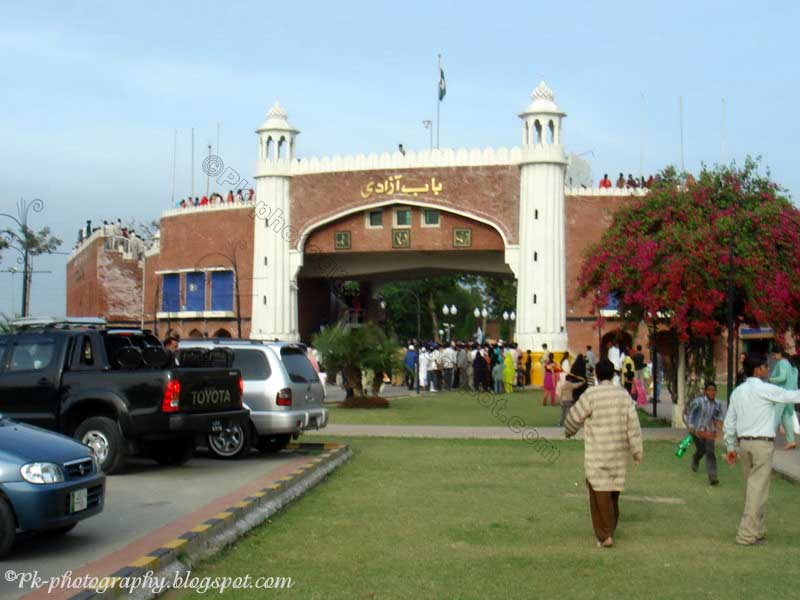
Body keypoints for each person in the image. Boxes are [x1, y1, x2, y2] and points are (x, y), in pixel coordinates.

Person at [565, 358, 643, 548]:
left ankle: (605, 535)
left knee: (598, 495)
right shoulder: (623, 396)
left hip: (597, 455)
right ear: (614, 375)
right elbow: (633, 426)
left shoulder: (591, 394)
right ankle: (609, 529)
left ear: (597, 375)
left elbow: (574, 416)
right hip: (617, 455)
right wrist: (636, 451)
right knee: (612, 495)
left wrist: (569, 430)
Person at [723, 353, 800, 545]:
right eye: (766, 367)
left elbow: (729, 422)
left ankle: (757, 530)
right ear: (758, 370)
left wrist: (731, 446)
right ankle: (746, 534)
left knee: (754, 488)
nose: (768, 370)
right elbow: (790, 395)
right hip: (761, 445)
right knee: (757, 490)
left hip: (744, 444)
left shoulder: (738, 392)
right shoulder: (764, 389)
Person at [684, 382, 723, 485]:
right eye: (709, 390)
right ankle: (695, 458)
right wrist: (691, 425)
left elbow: (718, 416)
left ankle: (712, 475)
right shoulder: (699, 402)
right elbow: (690, 413)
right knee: (701, 450)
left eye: (714, 390)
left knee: (710, 451)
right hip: (697, 431)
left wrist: (719, 424)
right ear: (705, 391)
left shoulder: (718, 404)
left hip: (710, 430)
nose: (712, 392)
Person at [769, 347, 797, 450]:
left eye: (775, 354)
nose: (774, 356)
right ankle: (791, 441)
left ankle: (768, 439)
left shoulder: (782, 363)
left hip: (781, 395)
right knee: (786, 417)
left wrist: (771, 379)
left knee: (775, 417)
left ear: (780, 354)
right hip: (790, 394)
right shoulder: (791, 365)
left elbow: (782, 377)